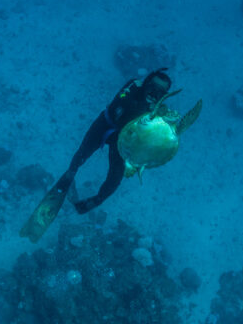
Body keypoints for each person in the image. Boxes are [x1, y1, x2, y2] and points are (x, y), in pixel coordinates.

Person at [20, 69, 174, 242]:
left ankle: (91, 203)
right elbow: (120, 103)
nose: (154, 93)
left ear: (165, 95)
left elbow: (156, 141)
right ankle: (68, 179)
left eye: (160, 92)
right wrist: (146, 108)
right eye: (152, 87)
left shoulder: (159, 111)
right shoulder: (134, 86)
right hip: (106, 124)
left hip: (123, 141)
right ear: (146, 83)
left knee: (114, 179)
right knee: (80, 157)